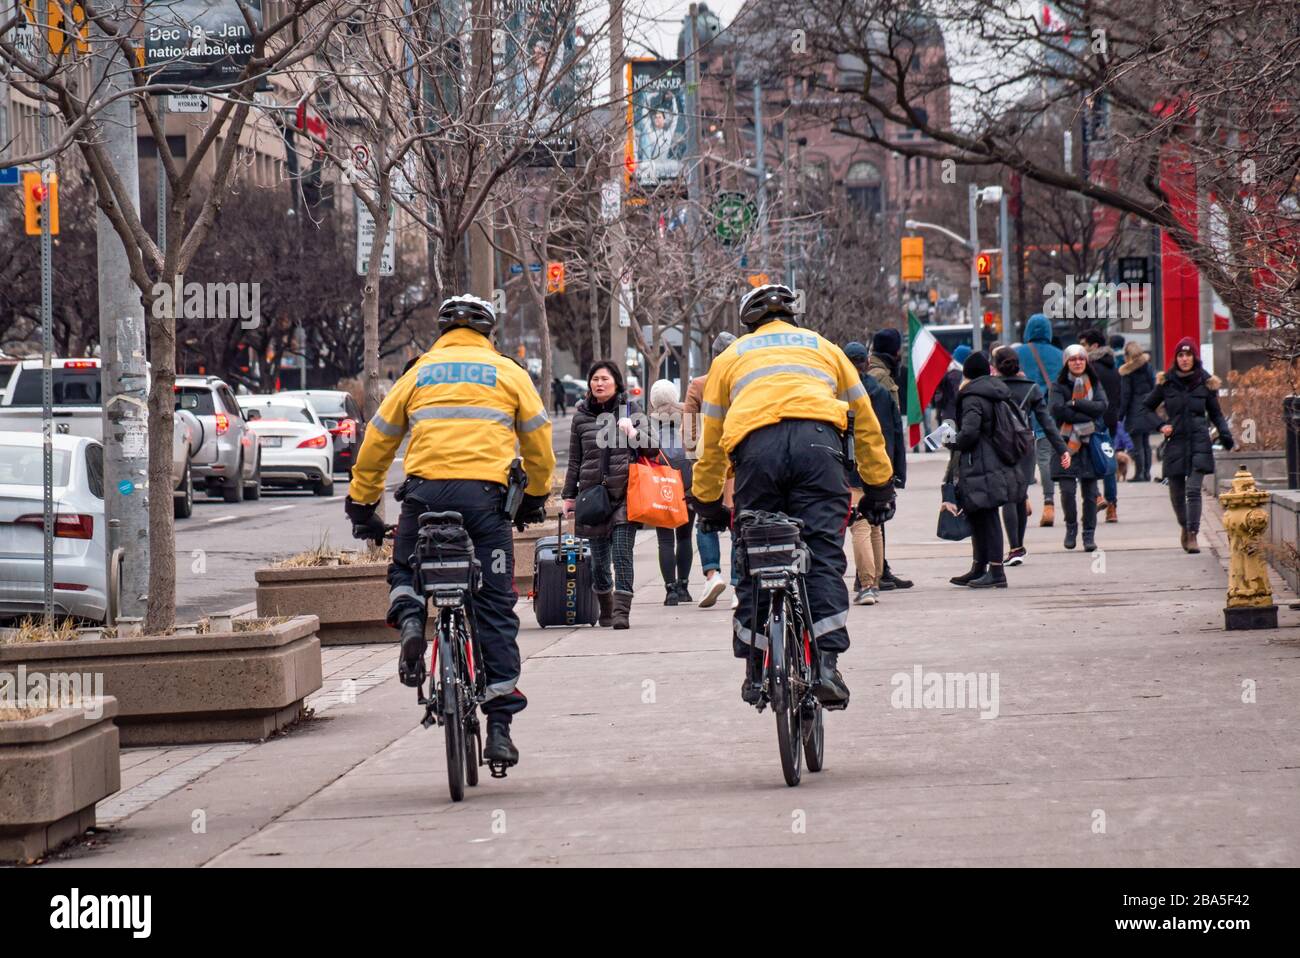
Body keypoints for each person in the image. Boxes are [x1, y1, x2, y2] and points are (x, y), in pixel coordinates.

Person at [345, 295, 554, 771]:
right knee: (496, 605)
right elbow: (539, 443)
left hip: (426, 499)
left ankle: (414, 618)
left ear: (441, 332)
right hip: (485, 503)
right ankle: (499, 727)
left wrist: (362, 505)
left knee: (405, 567)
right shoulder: (509, 372)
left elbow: (377, 440)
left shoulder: (417, 374)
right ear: (489, 333)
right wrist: (536, 497)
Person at [689, 284, 895, 709]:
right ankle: (827, 666)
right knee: (821, 554)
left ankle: (755, 666)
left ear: (748, 322)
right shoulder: (826, 348)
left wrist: (706, 502)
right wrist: (879, 486)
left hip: (756, 453)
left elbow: (709, 441)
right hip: (818, 449)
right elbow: (867, 423)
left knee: (755, 557)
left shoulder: (730, 357)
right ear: (794, 319)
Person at [562, 361, 651, 629]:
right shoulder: (580, 417)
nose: (599, 384)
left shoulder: (631, 410)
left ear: (616, 383)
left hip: (625, 494)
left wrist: (633, 432)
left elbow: (653, 446)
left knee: (622, 553)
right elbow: (575, 461)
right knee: (599, 563)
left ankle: (622, 612)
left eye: (604, 379)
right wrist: (568, 496)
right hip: (592, 497)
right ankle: (607, 607)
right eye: (595, 379)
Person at [1144, 338, 1234, 554]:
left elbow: (1215, 414)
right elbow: (1146, 408)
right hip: (1175, 442)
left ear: (1194, 357)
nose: (1184, 359)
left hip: (1199, 441)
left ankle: (1193, 533)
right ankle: (1185, 526)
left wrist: (1226, 434)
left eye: (1188, 355)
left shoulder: (1205, 382)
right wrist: (1161, 425)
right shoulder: (1166, 382)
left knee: (1193, 490)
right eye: (1181, 355)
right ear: (1176, 358)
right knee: (1176, 491)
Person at [945, 351, 1025, 588]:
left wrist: (951, 440)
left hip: (980, 462)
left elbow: (969, 433)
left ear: (967, 374)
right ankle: (979, 567)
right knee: (978, 514)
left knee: (987, 516)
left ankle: (996, 572)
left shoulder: (972, 396)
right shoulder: (993, 391)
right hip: (991, 461)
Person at [992, 346, 1069, 565]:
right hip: (1025, 446)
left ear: (996, 366)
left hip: (1000, 447)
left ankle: (1015, 547)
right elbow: (1047, 423)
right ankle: (1019, 547)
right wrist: (1062, 449)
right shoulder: (1032, 388)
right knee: (1020, 494)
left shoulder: (992, 388)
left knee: (1008, 497)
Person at [843, 341, 906, 605]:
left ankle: (867, 584)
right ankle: (876, 581)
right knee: (875, 525)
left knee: (859, 524)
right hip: (880, 466)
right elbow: (895, 433)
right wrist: (897, 471)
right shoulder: (881, 391)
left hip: (853, 467)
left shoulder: (840, 394)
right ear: (866, 364)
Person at [683, 331, 737, 609]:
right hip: (740, 462)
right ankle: (740, 583)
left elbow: (690, 431)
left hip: (711, 460)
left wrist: (696, 461)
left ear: (713, 355)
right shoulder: (744, 378)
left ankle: (713, 574)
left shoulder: (699, 384)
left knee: (705, 517)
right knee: (742, 519)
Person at [1050, 344, 1109, 552]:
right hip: (1066, 445)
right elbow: (1057, 410)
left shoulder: (1094, 382)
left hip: (1090, 444)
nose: (1077, 362)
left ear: (1086, 361)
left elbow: (1102, 407)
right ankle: (1071, 527)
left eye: (1081, 359)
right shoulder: (1058, 385)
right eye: (1073, 359)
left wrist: (1074, 404)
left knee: (1091, 492)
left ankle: (1088, 534)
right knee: (1067, 491)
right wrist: (1085, 411)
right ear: (1066, 362)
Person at [867, 328, 913, 590]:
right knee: (875, 515)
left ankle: (881, 568)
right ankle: (877, 572)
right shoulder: (880, 378)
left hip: (879, 454)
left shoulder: (881, 373)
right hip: (878, 456)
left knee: (879, 516)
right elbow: (882, 425)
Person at [1015, 313, 1064, 527]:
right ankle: (1049, 503)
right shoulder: (1060, 355)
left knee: (1020, 459)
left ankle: (1022, 498)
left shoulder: (1018, 353)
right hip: (1048, 414)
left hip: (1021, 415)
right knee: (1044, 459)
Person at [648, 378, 695, 605]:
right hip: (688, 484)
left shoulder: (647, 424)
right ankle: (684, 587)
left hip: (661, 486)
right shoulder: (690, 417)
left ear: (653, 400)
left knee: (665, 540)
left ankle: (670, 591)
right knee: (685, 537)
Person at [1080, 329, 1123, 522]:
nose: (1081, 349)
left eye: (1084, 345)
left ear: (1094, 346)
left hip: (1093, 421)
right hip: (1111, 421)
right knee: (1109, 464)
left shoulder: (1091, 369)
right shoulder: (1113, 366)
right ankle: (1112, 507)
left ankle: (1097, 497)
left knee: (1087, 462)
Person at [1119, 341, 1160, 482]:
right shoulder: (1148, 367)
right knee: (1146, 443)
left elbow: (1125, 395)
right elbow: (1155, 387)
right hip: (1148, 408)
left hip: (1134, 410)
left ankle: (1139, 474)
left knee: (1138, 445)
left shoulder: (1127, 372)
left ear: (1128, 355)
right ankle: (1147, 473)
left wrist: (1121, 414)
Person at [930, 343, 969, 429]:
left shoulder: (950, 371)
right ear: (964, 358)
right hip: (953, 418)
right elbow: (957, 397)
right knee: (950, 441)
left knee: (948, 440)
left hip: (948, 417)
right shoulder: (956, 374)